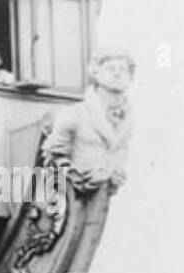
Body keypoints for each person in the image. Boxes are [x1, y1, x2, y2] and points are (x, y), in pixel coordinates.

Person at [41, 46, 134, 196]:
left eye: (123, 70)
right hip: (82, 199)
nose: (117, 74)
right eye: (111, 68)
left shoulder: (134, 120)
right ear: (96, 73)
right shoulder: (74, 114)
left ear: (130, 77)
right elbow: (53, 159)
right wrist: (80, 177)